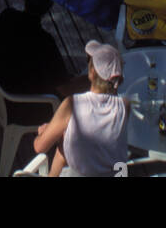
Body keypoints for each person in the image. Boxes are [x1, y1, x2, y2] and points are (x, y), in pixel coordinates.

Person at [33, 40, 129, 177]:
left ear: (91, 73)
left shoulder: (72, 104)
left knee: (63, 147)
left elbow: (39, 147)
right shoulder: (125, 106)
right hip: (114, 173)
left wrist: (43, 132)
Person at [0, 0, 69, 101]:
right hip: (33, 103)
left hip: (6, 87)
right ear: (47, 9)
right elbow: (63, 87)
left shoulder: (7, 16)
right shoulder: (45, 41)